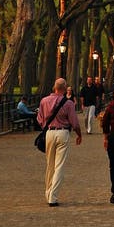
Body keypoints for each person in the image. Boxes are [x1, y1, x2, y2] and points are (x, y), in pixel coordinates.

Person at [36, 77, 83, 207]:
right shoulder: (68, 104)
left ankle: (48, 191)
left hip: (49, 133)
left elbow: (39, 119)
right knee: (59, 166)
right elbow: (74, 122)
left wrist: (46, 126)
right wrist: (79, 135)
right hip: (63, 133)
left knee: (49, 164)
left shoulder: (44, 101)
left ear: (54, 87)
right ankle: (53, 196)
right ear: (64, 88)